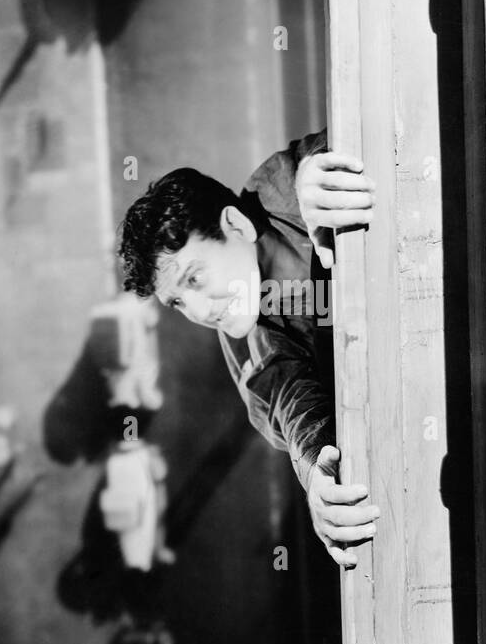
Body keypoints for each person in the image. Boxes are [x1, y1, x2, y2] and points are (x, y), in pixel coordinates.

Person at [118, 131, 377, 568]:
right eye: (177, 302)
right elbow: (291, 402)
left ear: (235, 226)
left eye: (194, 279)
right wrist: (316, 475)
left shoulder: (283, 188)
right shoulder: (252, 355)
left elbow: (307, 159)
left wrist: (322, 171)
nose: (199, 311)